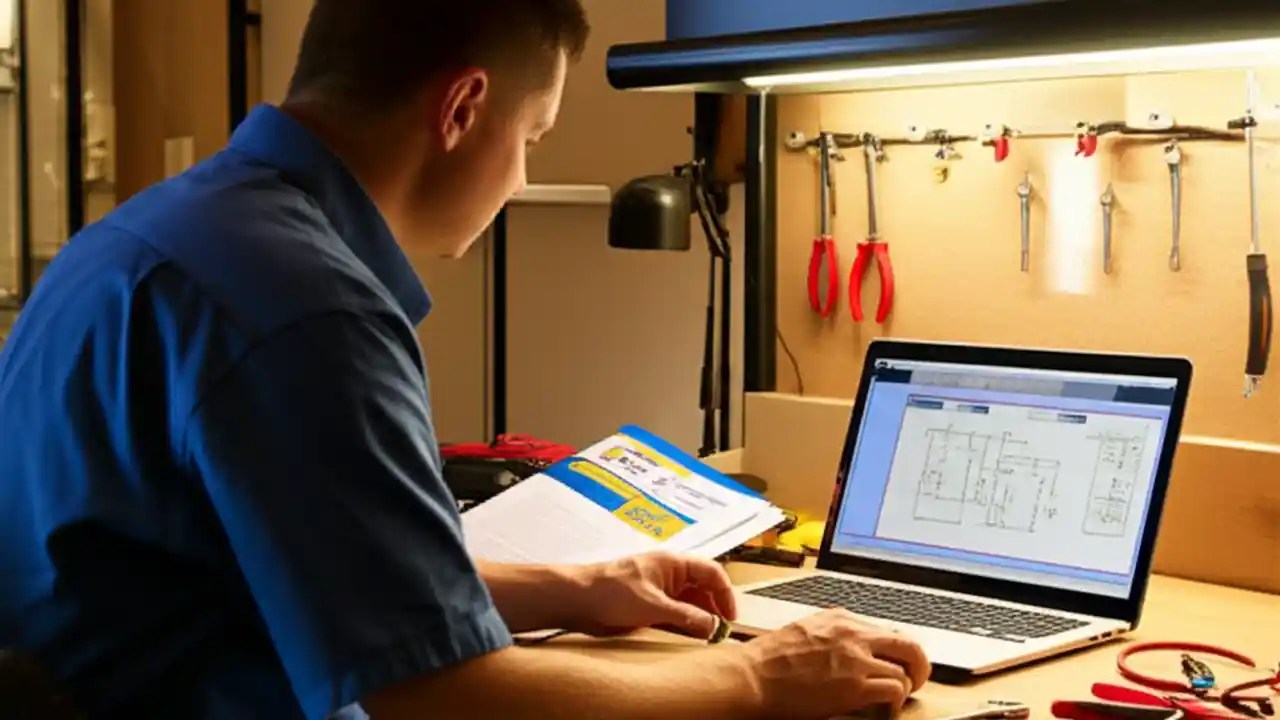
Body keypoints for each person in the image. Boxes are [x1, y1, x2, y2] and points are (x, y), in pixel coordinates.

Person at [0, 1, 930, 718]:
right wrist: (760, 674)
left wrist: (572, 589)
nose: (522, 175)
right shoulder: (307, 310)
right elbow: (444, 696)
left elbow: (272, 569)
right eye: (531, 140)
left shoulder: (153, 237)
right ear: (463, 107)